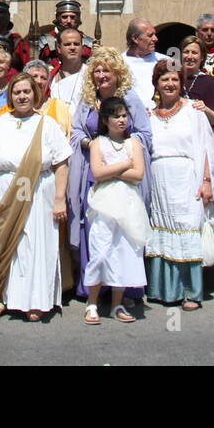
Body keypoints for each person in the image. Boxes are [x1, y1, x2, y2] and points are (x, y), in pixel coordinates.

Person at [0, 73, 71, 322]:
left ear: (35, 94)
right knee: (5, 244)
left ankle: (36, 301)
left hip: (37, 190)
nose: (22, 96)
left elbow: (61, 163)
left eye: (26, 91)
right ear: (10, 96)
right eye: (17, 92)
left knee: (34, 244)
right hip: (3, 189)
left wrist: (60, 199)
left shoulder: (47, 124)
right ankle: (0, 298)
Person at [68, 47, 153, 298]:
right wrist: (93, 145)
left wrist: (118, 146)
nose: (102, 75)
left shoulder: (130, 98)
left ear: (118, 73)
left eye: (107, 70)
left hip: (125, 171)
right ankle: (95, 287)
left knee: (123, 229)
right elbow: (76, 132)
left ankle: (124, 289)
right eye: (97, 70)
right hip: (93, 173)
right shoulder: (87, 100)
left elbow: (144, 133)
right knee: (96, 228)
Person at [143, 60, 214, 311]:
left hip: (187, 178)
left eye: (174, 79)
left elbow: (207, 148)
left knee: (186, 227)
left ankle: (191, 292)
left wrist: (206, 181)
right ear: (157, 84)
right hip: (159, 179)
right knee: (162, 230)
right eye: (165, 79)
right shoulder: (148, 115)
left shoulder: (193, 112)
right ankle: (165, 291)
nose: (170, 84)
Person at [82, 96, 148, 324]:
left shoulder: (134, 143)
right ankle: (92, 302)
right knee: (100, 251)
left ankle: (116, 303)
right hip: (104, 203)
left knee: (124, 251)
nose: (121, 120)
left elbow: (138, 174)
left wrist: (111, 169)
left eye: (123, 116)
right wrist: (123, 165)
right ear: (105, 120)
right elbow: (97, 173)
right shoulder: (98, 143)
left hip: (128, 202)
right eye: (116, 116)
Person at [47, 27, 91, 122]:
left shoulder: (91, 75)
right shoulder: (51, 78)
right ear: (59, 48)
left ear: (82, 47)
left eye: (76, 44)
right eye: (67, 44)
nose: (72, 47)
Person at [123, 17, 168, 110]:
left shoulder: (166, 61)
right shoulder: (119, 63)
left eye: (154, 34)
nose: (155, 39)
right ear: (135, 38)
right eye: (150, 35)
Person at [178, 34, 214, 126]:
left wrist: (205, 109)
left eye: (194, 53)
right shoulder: (173, 79)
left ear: (202, 57)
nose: (189, 56)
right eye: (186, 52)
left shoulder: (209, 82)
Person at [37, 0, 94, 68]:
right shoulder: (45, 41)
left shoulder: (89, 44)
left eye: (73, 17)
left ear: (78, 19)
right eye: (64, 17)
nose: (69, 21)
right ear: (57, 18)